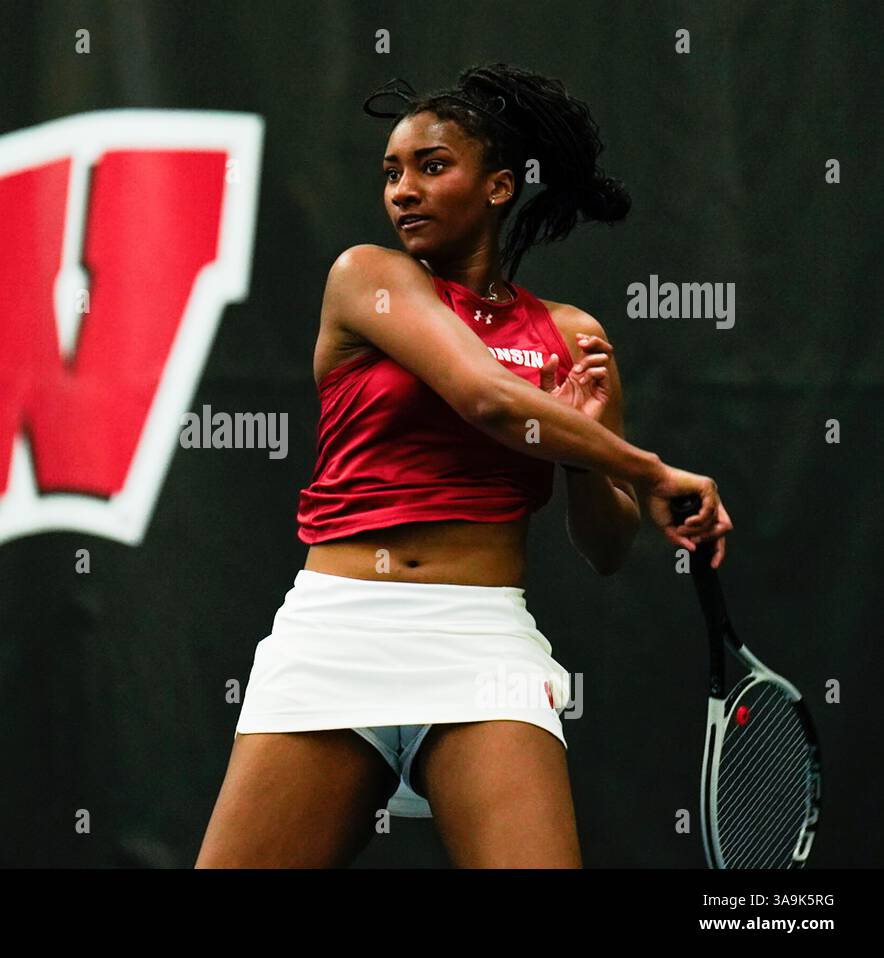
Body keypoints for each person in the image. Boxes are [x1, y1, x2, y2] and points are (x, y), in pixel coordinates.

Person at [195, 64, 733, 868]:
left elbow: (608, 548)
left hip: (482, 643)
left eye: (431, 166)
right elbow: (483, 394)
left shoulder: (572, 334)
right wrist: (650, 470)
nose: (402, 190)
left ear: (499, 187)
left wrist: (588, 459)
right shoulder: (366, 280)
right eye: (391, 173)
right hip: (338, 630)